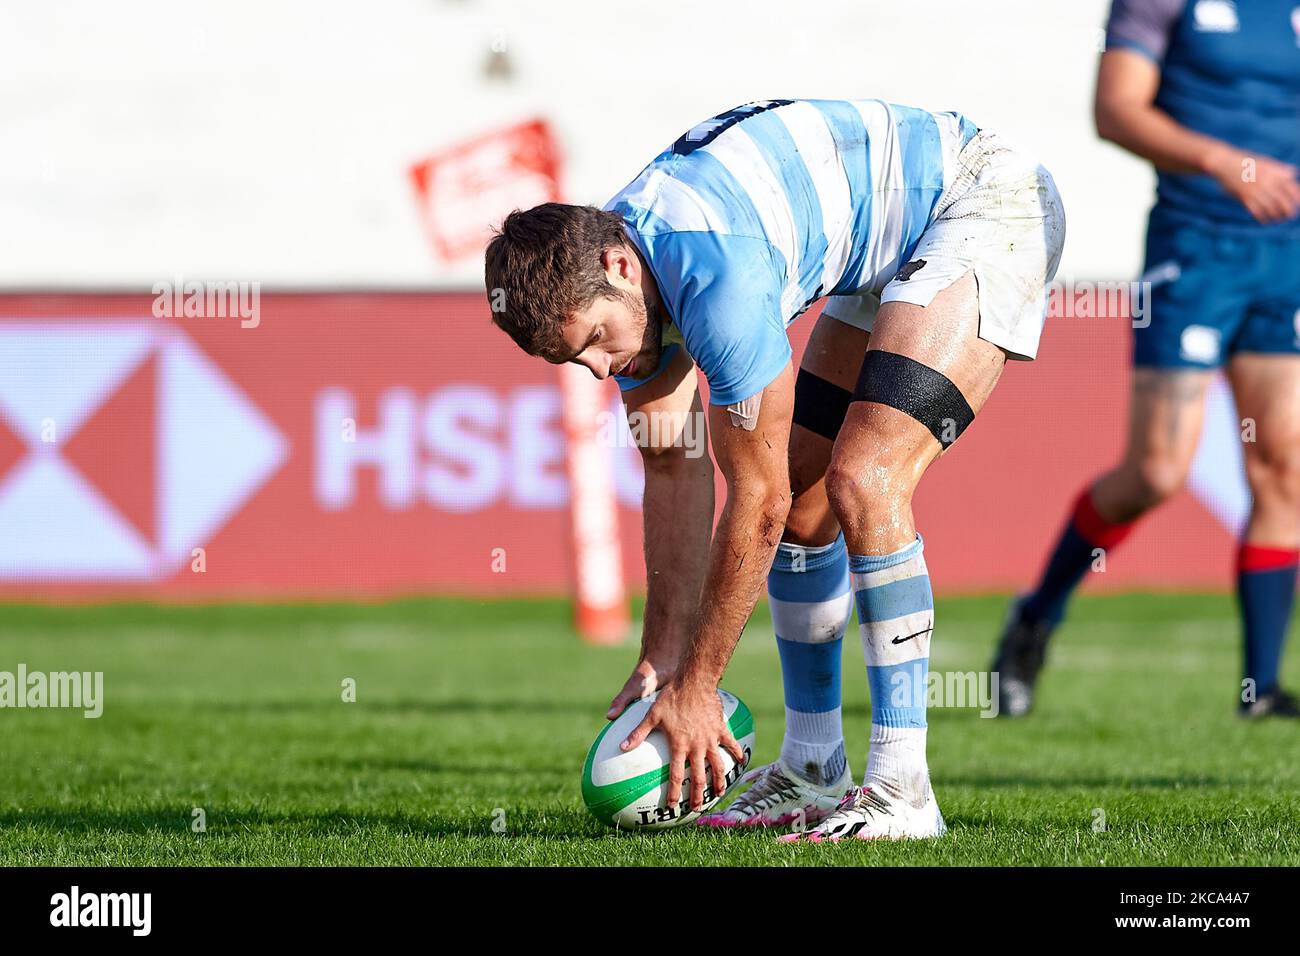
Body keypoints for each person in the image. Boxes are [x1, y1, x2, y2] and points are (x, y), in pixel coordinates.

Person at [485, 99, 1064, 840]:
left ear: (618, 266)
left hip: (983, 200)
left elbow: (754, 506)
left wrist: (701, 688)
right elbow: (671, 468)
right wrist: (665, 657)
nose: (603, 370)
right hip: (887, 248)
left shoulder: (709, 273)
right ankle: (814, 769)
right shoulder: (625, 279)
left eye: (597, 340)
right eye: (579, 359)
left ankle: (903, 790)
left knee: (862, 478)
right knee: (804, 508)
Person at [992, 0, 1300, 719]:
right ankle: (1036, 616)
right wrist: (1225, 162)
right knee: (1158, 471)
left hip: (1284, 258)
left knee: (1284, 465)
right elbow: (1117, 110)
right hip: (1193, 253)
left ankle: (1260, 688)